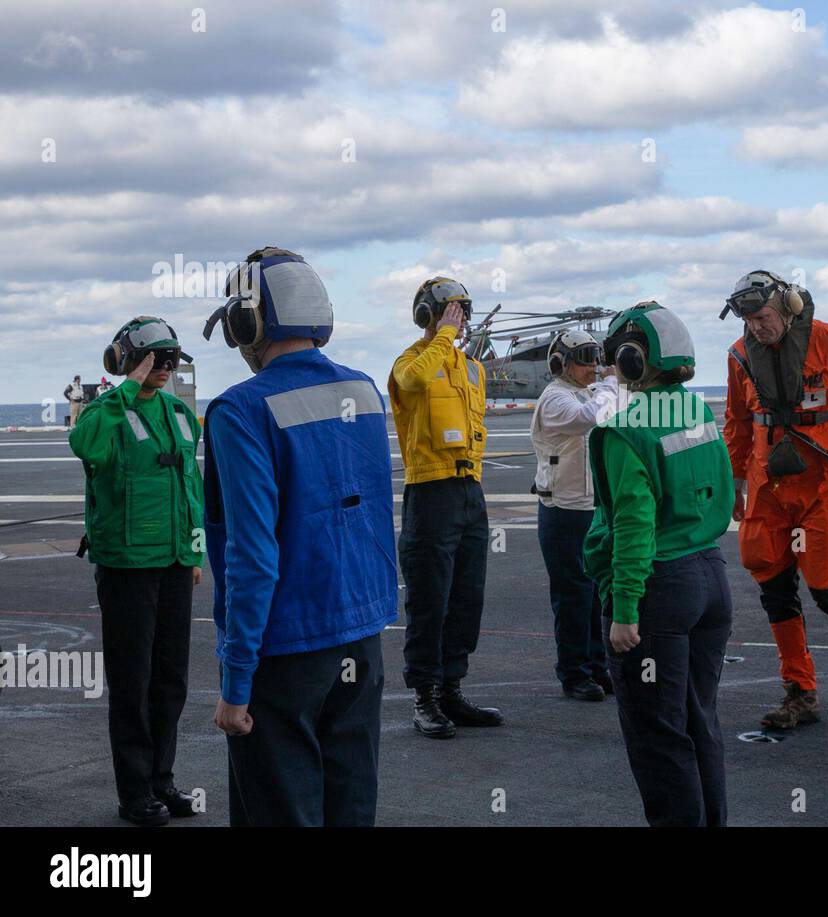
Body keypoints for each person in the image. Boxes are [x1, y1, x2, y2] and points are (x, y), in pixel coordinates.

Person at [202, 247, 397, 826]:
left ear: (247, 322)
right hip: (361, 639)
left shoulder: (240, 410)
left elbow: (252, 556)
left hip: (283, 652)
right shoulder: (363, 392)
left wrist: (237, 681)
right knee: (351, 806)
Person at [722, 270, 828, 730]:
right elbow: (737, 424)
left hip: (824, 483)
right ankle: (800, 692)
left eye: (763, 316)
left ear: (787, 306)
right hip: (767, 487)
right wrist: (734, 483)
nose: (757, 327)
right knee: (774, 588)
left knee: (826, 586)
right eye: (750, 320)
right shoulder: (740, 356)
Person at [584, 301, 734, 827]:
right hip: (710, 577)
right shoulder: (696, 412)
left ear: (629, 359)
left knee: (659, 740)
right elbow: (726, 493)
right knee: (699, 725)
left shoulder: (627, 429)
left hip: (658, 591)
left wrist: (625, 608)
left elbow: (632, 524)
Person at [69, 317, 203, 826]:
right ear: (129, 359)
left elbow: (191, 486)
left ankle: (161, 782)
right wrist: (126, 387)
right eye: (155, 359)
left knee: (170, 681)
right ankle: (134, 792)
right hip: (127, 566)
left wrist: (193, 553)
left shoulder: (180, 414)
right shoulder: (106, 411)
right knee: (133, 683)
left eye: (172, 360)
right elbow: (88, 447)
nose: (165, 369)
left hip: (172, 563)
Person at [389, 276, 502, 738]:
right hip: (430, 492)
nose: (459, 321)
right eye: (449, 311)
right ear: (427, 316)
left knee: (465, 598)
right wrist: (443, 337)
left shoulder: (472, 369)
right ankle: (425, 697)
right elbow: (413, 381)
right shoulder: (411, 361)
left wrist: (452, 342)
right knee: (429, 600)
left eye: (462, 313)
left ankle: (452, 689)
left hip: (469, 492)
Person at [530, 329, 621, 701]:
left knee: (597, 593)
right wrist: (612, 383)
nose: (592, 367)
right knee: (573, 596)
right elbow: (593, 418)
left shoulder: (586, 392)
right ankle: (574, 673)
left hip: (591, 507)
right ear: (561, 363)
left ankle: (597, 666)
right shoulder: (556, 399)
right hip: (563, 510)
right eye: (583, 360)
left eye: (594, 359)